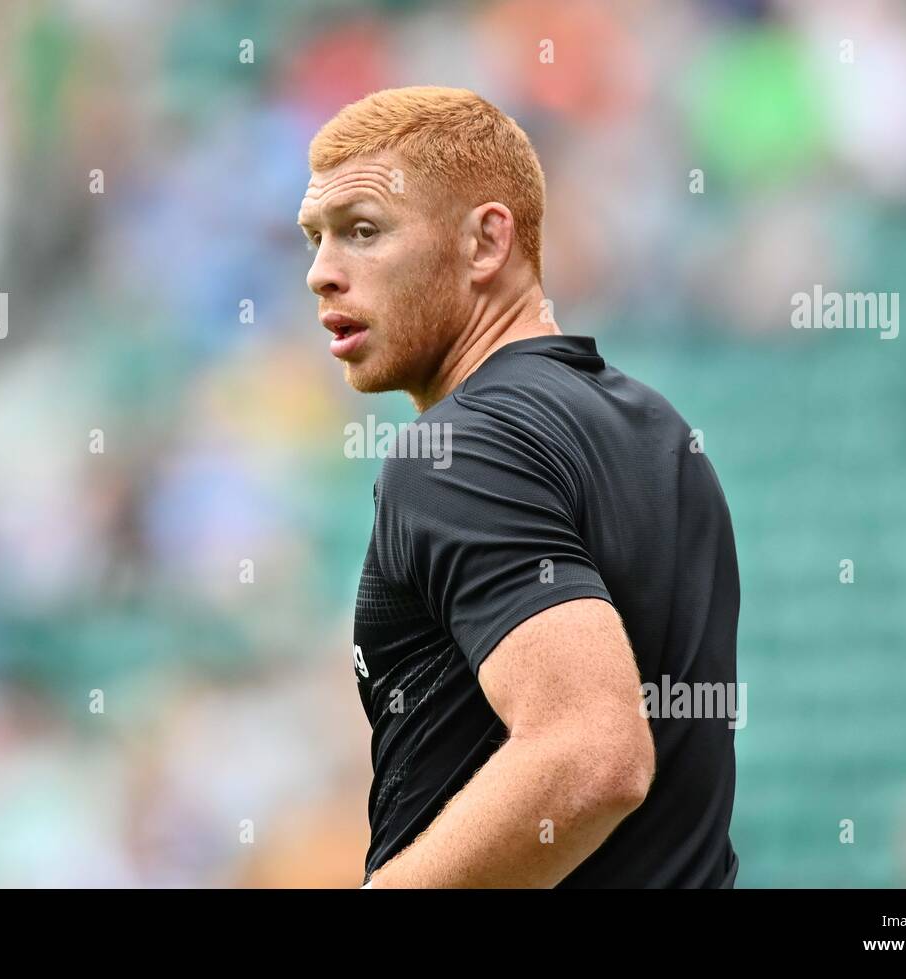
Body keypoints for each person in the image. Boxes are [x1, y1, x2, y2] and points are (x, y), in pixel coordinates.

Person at [298, 86, 740, 887]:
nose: (322, 274)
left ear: (486, 242)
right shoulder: (663, 432)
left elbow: (594, 754)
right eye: (316, 239)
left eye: (363, 231)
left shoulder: (454, 450)